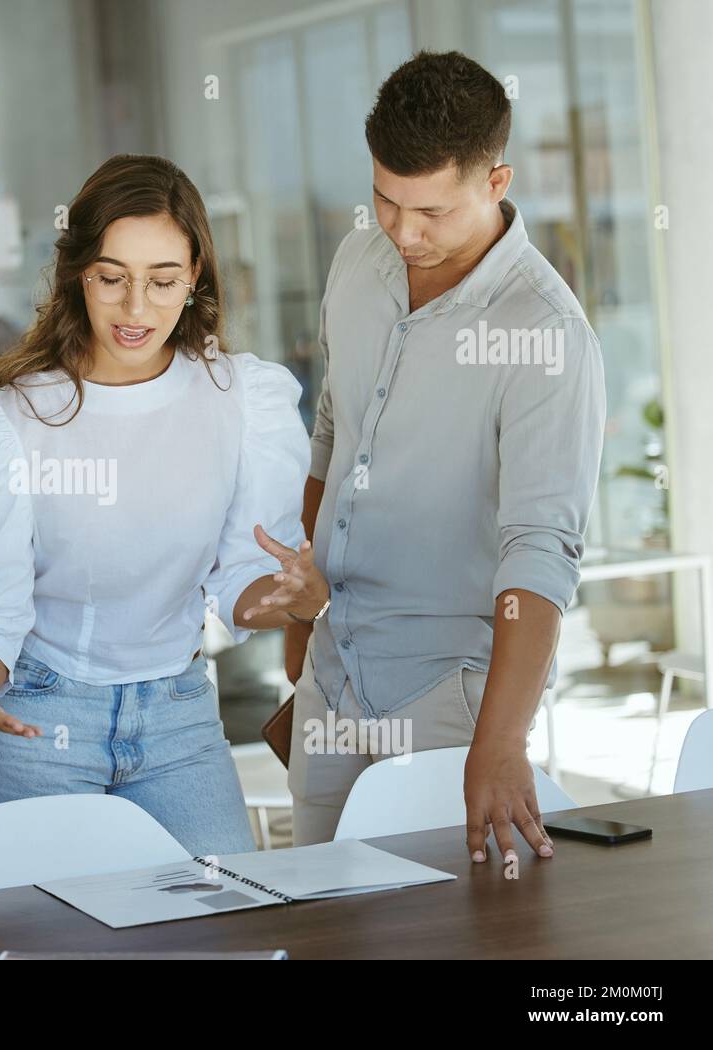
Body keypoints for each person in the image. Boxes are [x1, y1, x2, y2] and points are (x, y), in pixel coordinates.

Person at [0, 154, 328, 858]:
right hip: (37, 720)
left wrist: (298, 598)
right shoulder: (11, 425)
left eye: (163, 281)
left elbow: (243, 587)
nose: (137, 309)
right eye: (113, 278)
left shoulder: (243, 402)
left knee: (226, 928)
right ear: (79, 272)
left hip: (179, 716)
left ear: (194, 275)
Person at [283, 51, 606, 860]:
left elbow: (541, 550)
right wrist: (301, 620)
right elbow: (333, 427)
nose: (403, 230)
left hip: (452, 698)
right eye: (385, 199)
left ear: (496, 183)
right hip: (333, 675)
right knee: (320, 929)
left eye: (431, 210)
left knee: (461, 941)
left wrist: (500, 743)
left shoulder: (545, 334)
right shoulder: (359, 261)